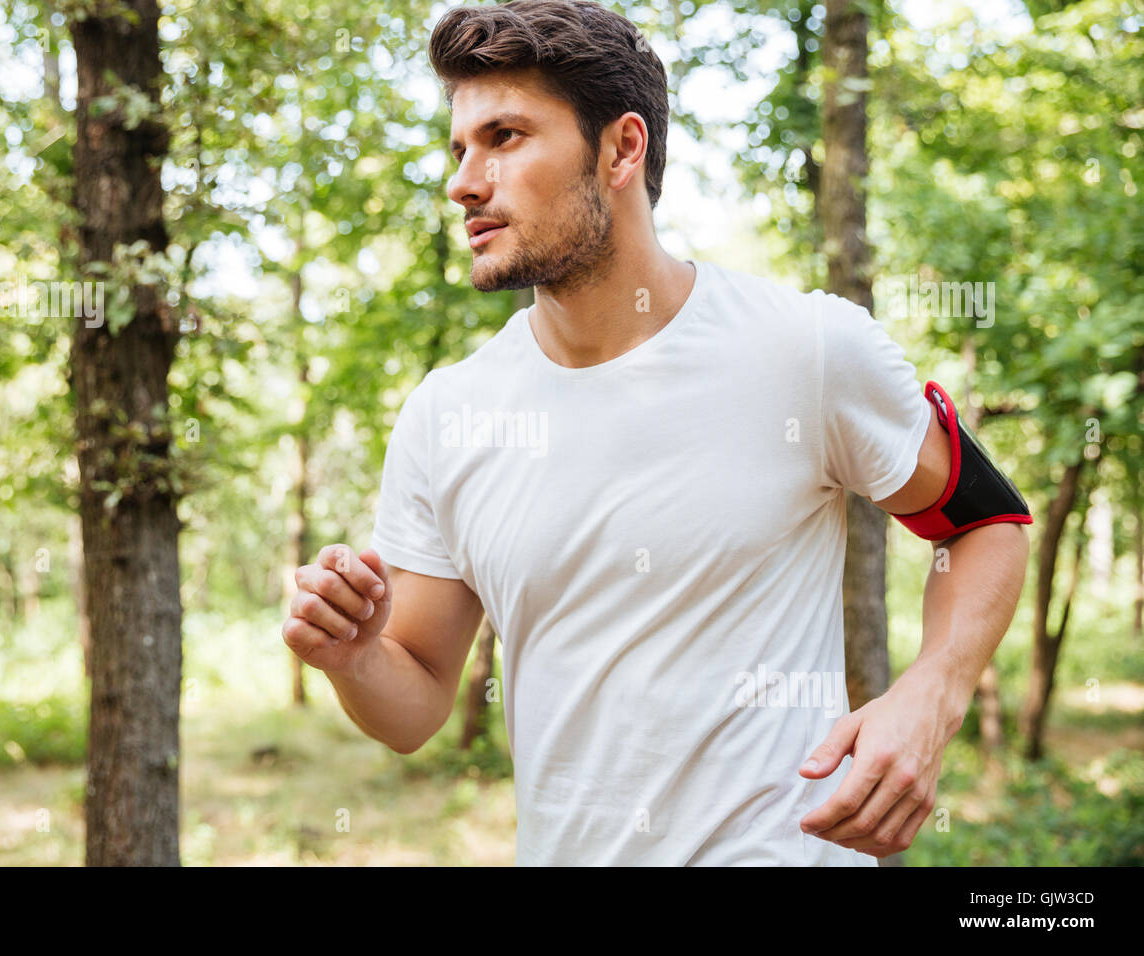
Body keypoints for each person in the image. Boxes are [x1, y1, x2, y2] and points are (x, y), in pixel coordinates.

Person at [282, 0, 1030, 865]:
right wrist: (351, 654)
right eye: (460, 148)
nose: (463, 180)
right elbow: (413, 708)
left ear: (621, 149)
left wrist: (932, 693)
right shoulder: (449, 415)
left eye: (506, 137)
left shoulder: (805, 349)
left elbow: (985, 521)